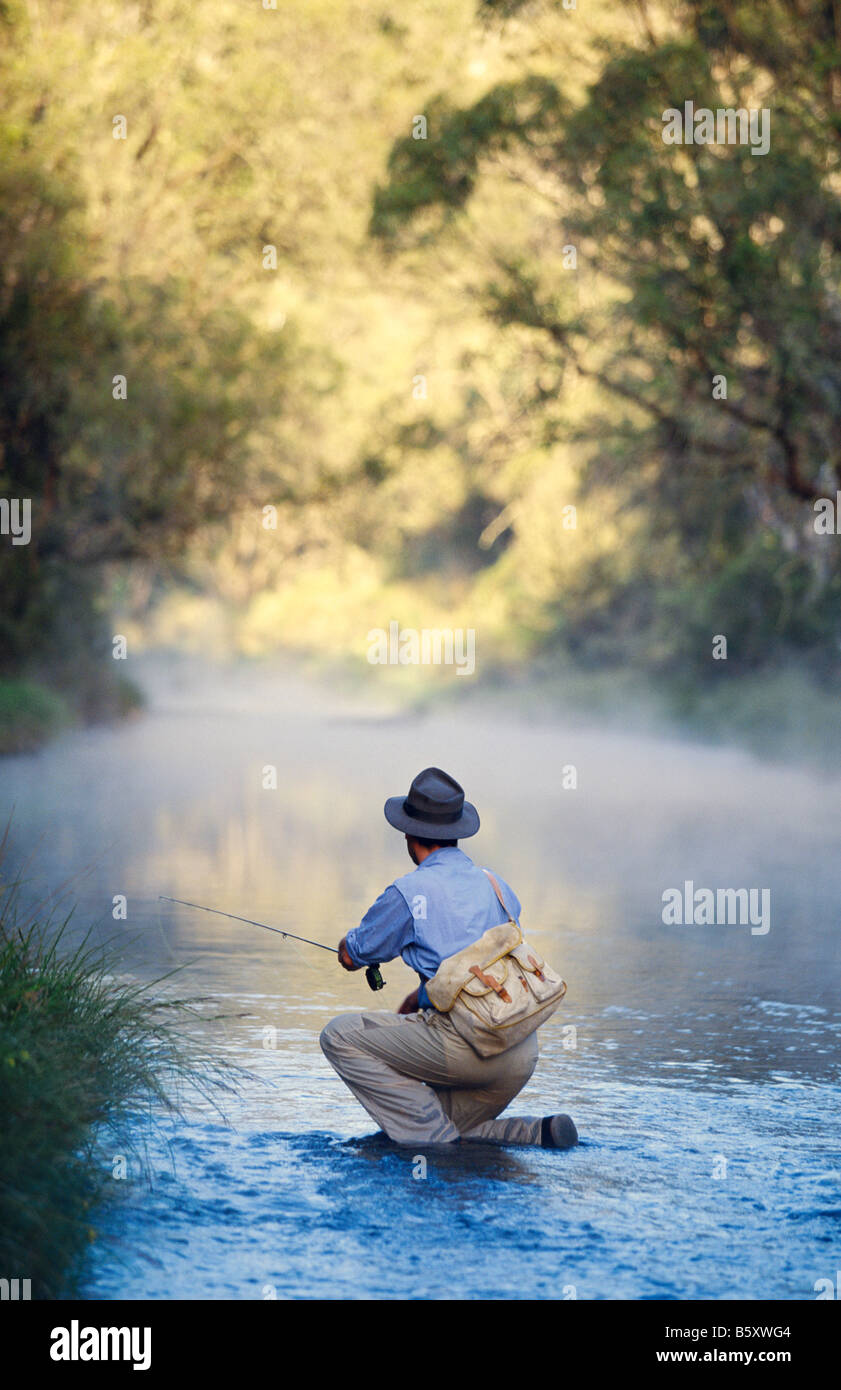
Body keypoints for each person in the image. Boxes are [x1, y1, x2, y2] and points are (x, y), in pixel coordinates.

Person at [319, 766, 578, 1149]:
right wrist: (420, 998)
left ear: (408, 833)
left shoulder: (408, 893)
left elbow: (351, 956)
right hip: (520, 1051)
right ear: (457, 831)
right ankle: (536, 1133)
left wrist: (347, 945)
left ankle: (436, 1147)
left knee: (339, 1036)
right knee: (445, 1120)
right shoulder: (496, 884)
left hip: (466, 1049)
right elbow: (484, 969)